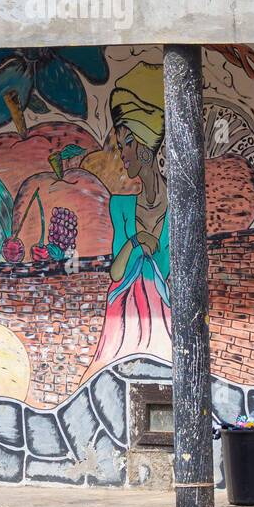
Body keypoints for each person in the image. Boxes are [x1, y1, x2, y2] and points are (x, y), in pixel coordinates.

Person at [82, 62, 171, 380]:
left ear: (143, 146)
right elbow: (116, 273)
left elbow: (168, 270)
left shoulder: (180, 213)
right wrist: (137, 241)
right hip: (120, 324)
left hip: (162, 324)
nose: (122, 156)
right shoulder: (120, 206)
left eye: (126, 146)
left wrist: (150, 247)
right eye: (120, 148)